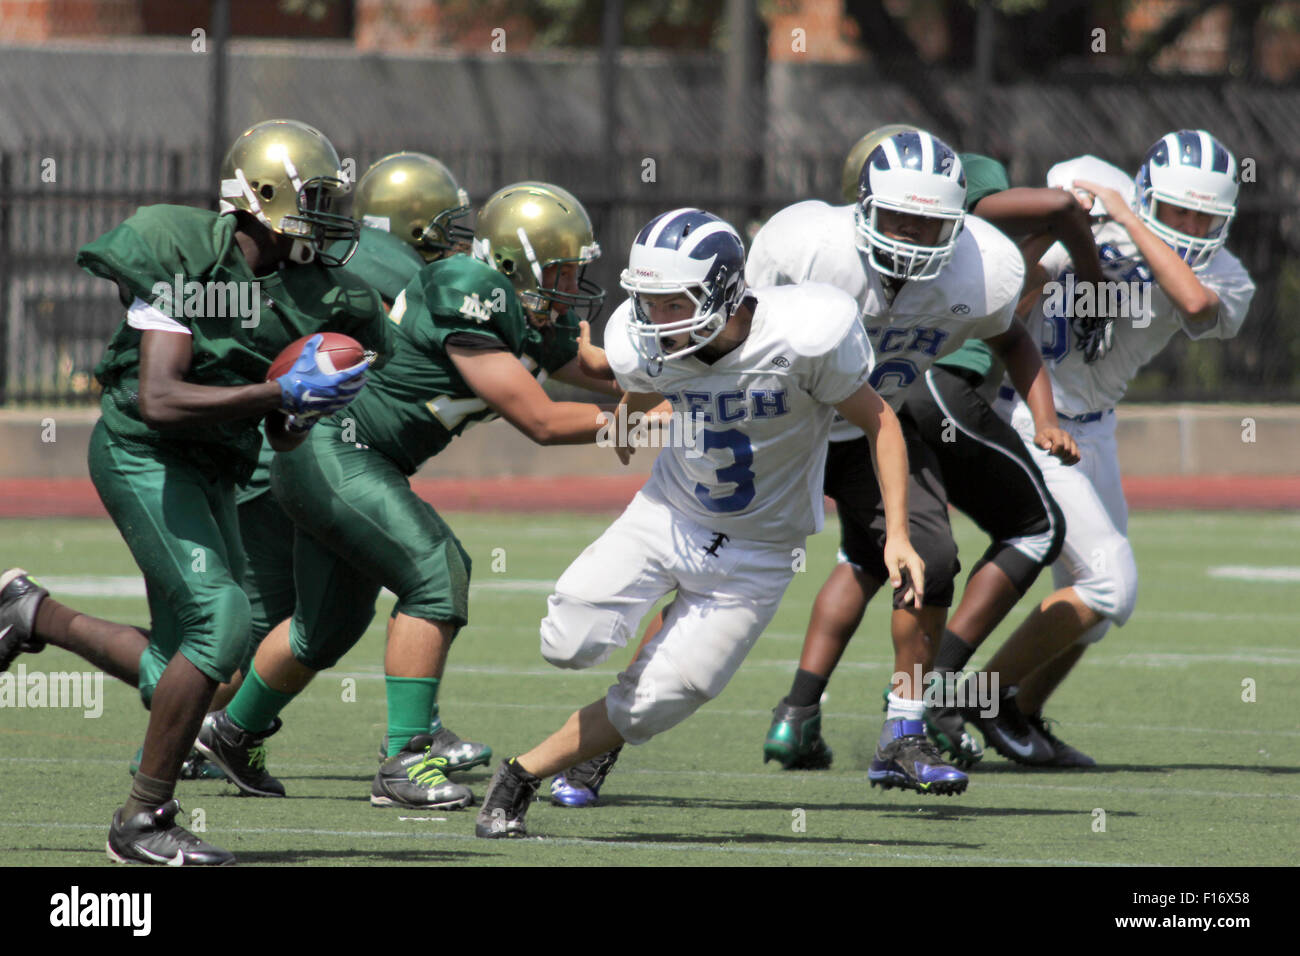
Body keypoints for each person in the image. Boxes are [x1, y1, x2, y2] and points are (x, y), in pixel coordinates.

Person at [0, 118, 391, 865]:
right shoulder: (188, 255)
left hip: (216, 464)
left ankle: (30, 612)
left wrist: (301, 409)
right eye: (313, 198)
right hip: (146, 454)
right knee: (224, 621)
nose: (327, 216)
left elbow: (275, 427)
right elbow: (160, 398)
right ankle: (143, 821)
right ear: (264, 195)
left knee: (205, 678)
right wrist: (278, 394)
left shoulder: (295, 290)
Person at [474, 207, 923, 838]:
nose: (655, 317)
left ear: (723, 289)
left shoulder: (804, 336)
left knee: (656, 701)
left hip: (759, 555)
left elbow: (880, 421)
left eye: (670, 300)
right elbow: (650, 375)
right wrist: (630, 413)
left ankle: (519, 776)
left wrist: (897, 532)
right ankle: (599, 720)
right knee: (567, 640)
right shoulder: (651, 339)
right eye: (648, 301)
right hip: (665, 517)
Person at [197, 182, 626, 810]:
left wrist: (688, 379)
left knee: (326, 628)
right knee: (436, 571)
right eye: (560, 268)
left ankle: (232, 733)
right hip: (338, 451)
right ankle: (404, 760)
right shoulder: (469, 291)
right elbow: (539, 420)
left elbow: (596, 369)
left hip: (342, 459)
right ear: (515, 262)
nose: (570, 284)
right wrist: (648, 424)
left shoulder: (516, 309)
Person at [747, 129, 1078, 795]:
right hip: (778, 431)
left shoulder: (977, 271)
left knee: (927, 556)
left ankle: (902, 730)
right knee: (702, 566)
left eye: (930, 224)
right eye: (899, 217)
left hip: (873, 433)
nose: (912, 236)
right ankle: (597, 745)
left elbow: (1012, 337)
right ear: (864, 207)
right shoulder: (809, 248)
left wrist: (1044, 416)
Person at [188, 152, 493, 793]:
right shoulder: (387, 265)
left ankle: (221, 736)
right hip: (284, 460)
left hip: (286, 454)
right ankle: (178, 741)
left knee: (316, 626)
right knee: (256, 636)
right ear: (414, 225)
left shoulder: (320, 263)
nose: (458, 241)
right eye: (446, 226)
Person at [955, 130, 1255, 764]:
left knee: (1091, 605)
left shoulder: (1219, 273)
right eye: (1178, 211)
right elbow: (1012, 295)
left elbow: (1196, 305)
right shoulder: (1096, 200)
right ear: (1151, 195)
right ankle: (971, 699)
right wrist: (1060, 223)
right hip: (1031, 419)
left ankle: (1018, 716)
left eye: (1205, 215)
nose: (1192, 226)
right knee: (1110, 585)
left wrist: (1125, 216)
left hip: (1095, 427)